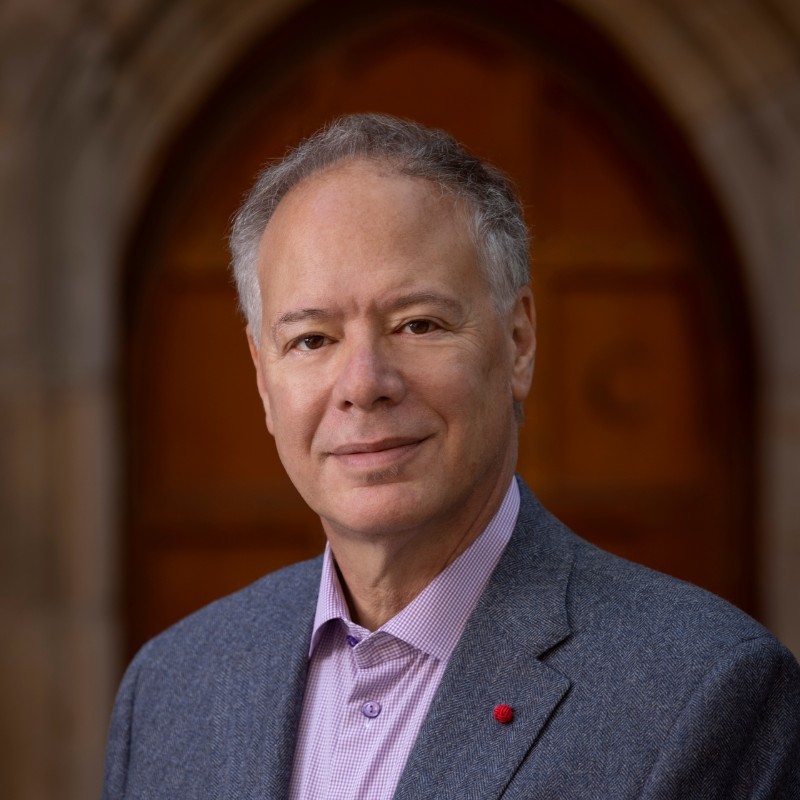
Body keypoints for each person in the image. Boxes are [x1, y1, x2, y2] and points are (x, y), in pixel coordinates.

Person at [102, 114, 800, 799]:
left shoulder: (701, 692)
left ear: (518, 342)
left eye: (418, 324)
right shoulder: (170, 689)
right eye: (312, 339)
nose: (364, 384)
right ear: (263, 379)